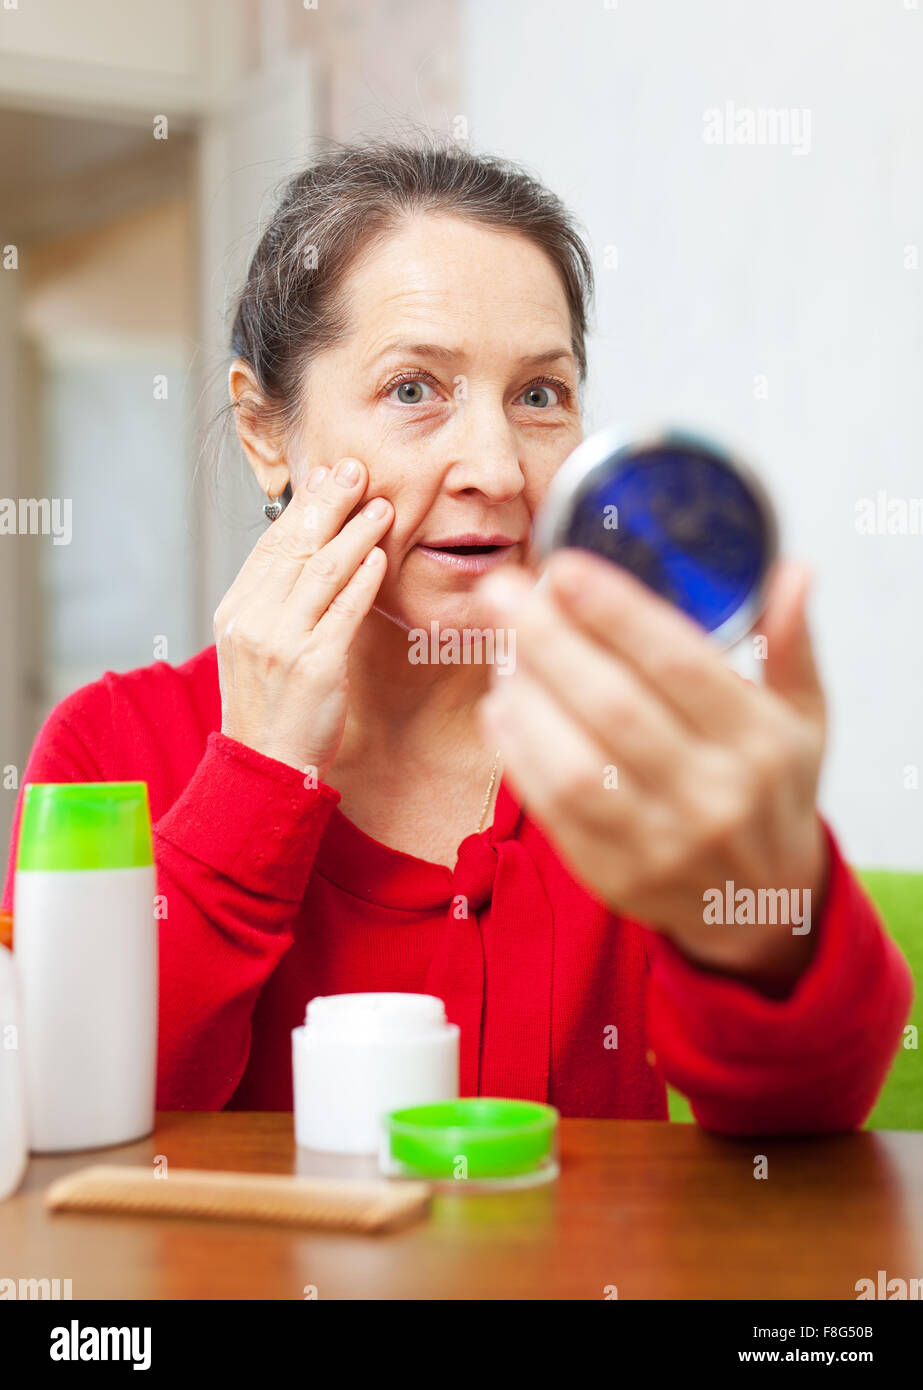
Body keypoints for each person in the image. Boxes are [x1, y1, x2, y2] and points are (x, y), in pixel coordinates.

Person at [2, 140, 912, 1132]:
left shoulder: (630, 739)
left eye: (537, 395)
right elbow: (58, 1127)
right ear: (267, 433)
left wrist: (770, 909)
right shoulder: (108, 751)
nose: (496, 466)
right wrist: (253, 772)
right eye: (412, 390)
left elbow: (810, 1119)